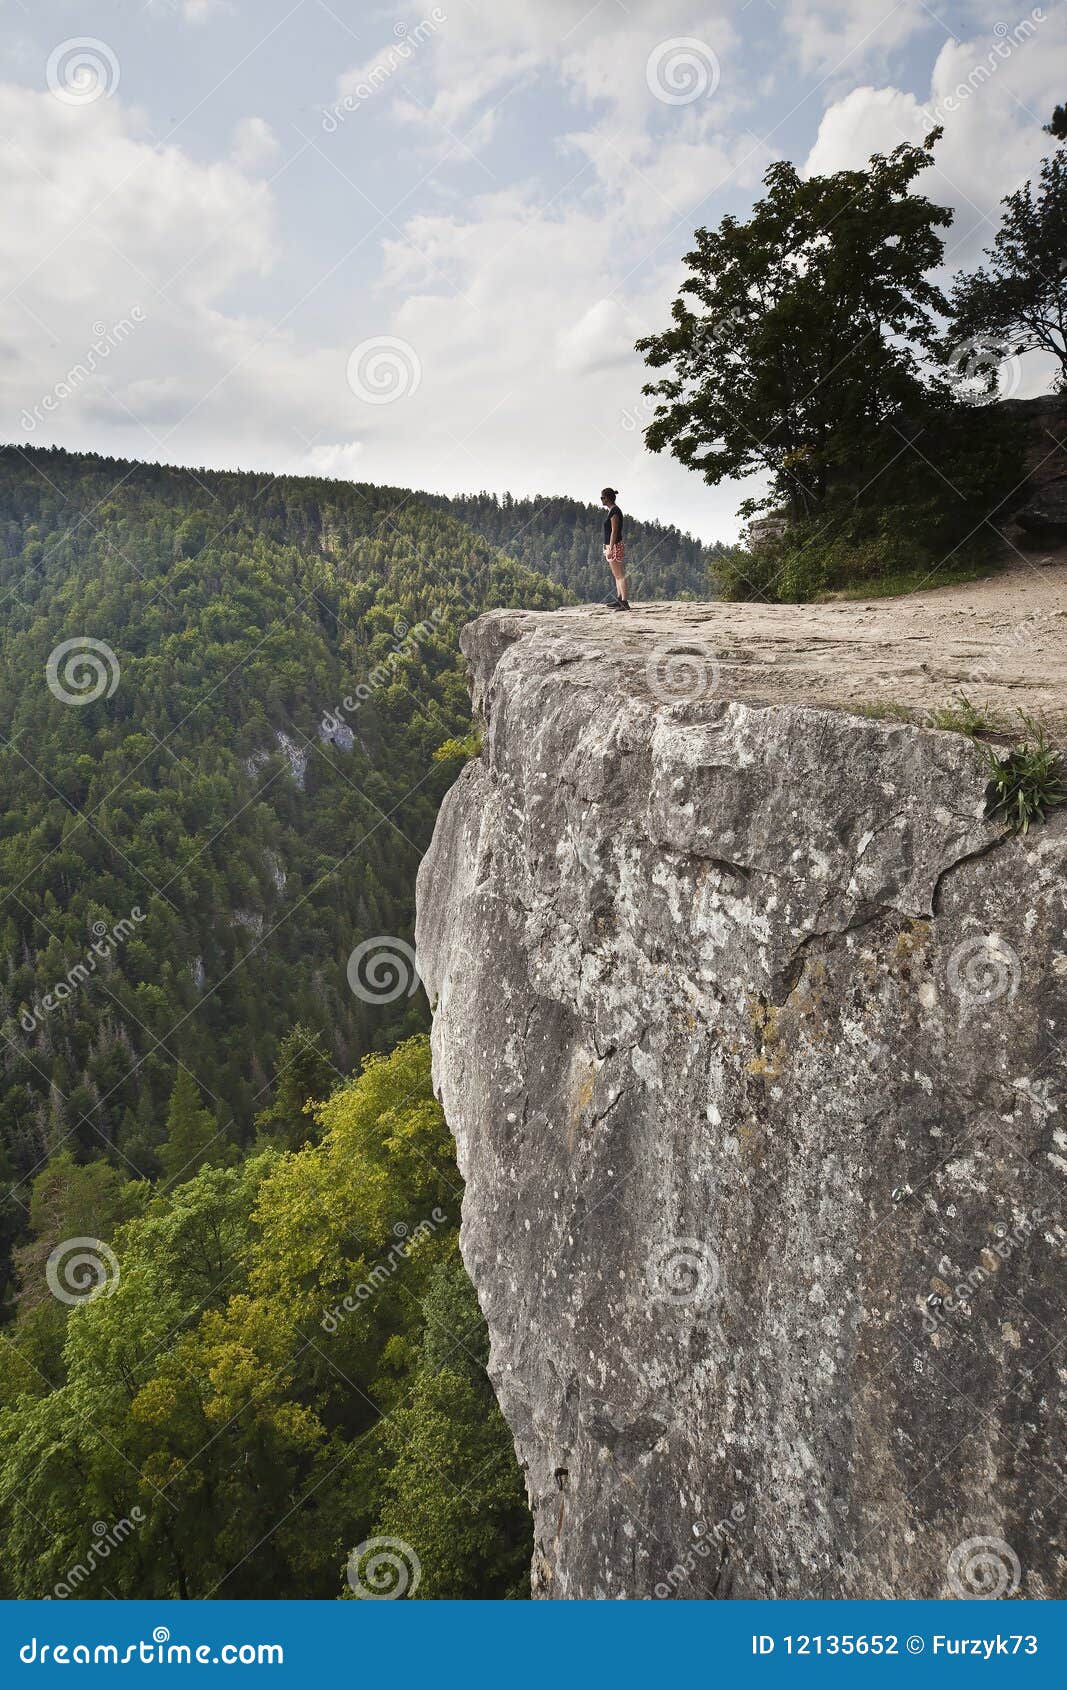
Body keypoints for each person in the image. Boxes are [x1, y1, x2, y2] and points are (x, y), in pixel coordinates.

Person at [600, 487, 629, 610]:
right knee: (616, 575)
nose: (601, 500)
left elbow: (614, 531)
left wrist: (611, 548)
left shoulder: (615, 511)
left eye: (602, 497)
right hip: (612, 545)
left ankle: (624, 602)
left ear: (607, 498)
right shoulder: (612, 510)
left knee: (620, 575)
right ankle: (619, 599)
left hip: (615, 545)